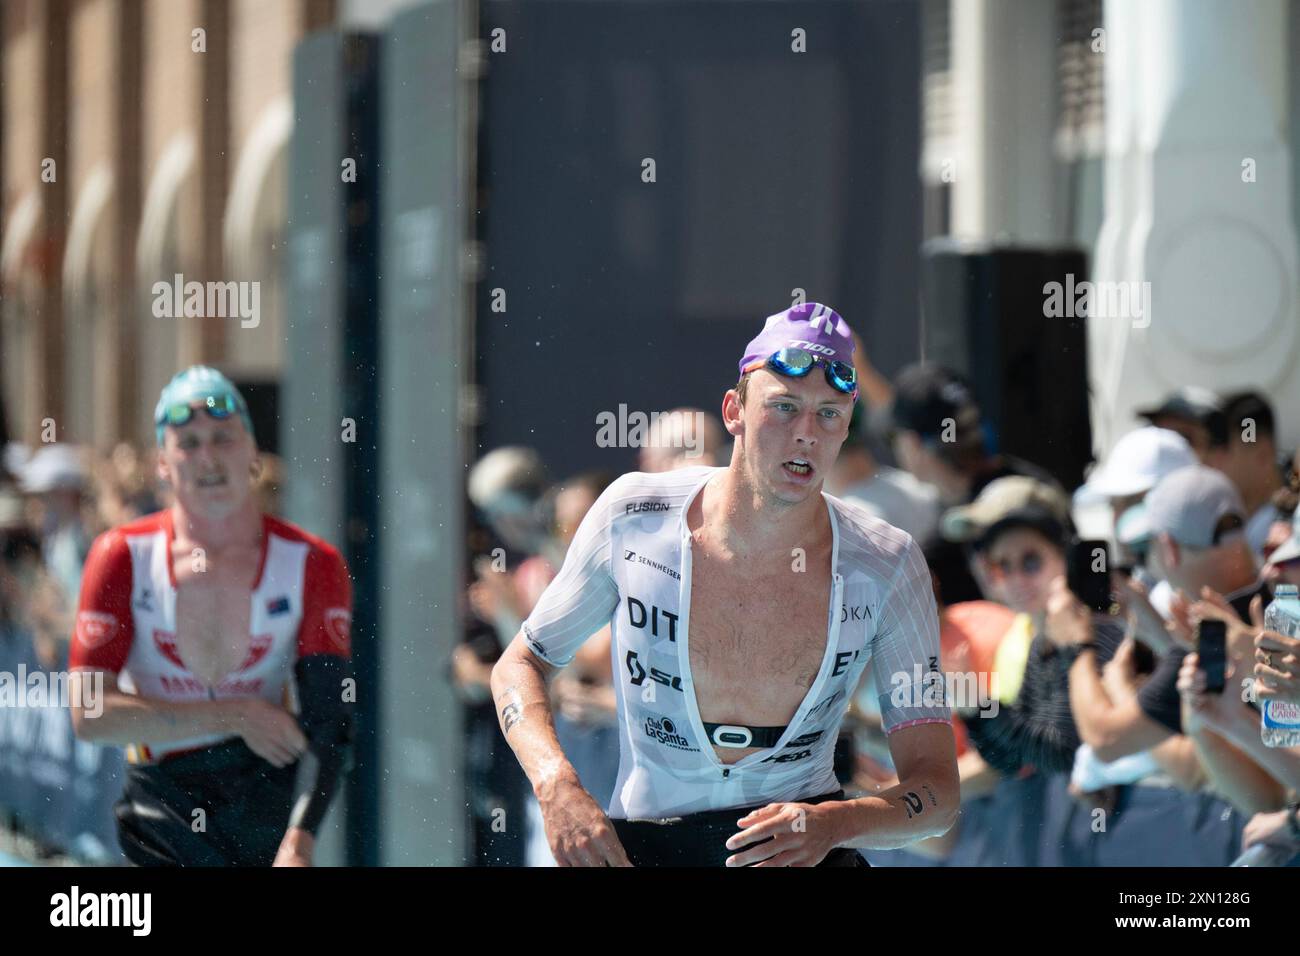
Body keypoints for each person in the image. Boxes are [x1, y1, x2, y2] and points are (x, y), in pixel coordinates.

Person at [490, 302, 958, 867]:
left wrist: (837, 822)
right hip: (649, 845)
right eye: (783, 408)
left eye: (829, 415)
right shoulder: (634, 516)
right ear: (734, 411)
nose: (806, 434)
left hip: (803, 848)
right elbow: (519, 665)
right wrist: (556, 786)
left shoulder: (886, 561)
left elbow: (937, 793)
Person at [67, 366, 354, 867]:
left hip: (262, 798)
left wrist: (300, 839)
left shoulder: (311, 562)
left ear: (251, 452)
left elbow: (330, 722)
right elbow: (89, 716)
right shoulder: (123, 557)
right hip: (160, 802)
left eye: (223, 438)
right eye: (188, 443)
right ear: (163, 464)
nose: (208, 458)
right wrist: (237, 714)